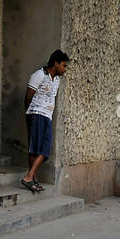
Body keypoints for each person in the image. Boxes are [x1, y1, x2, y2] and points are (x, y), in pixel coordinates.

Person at [23, 50, 70, 193]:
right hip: (36, 114)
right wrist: (30, 115)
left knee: (43, 149)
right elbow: (28, 97)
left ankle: (31, 178)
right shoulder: (39, 75)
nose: (65, 69)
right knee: (37, 148)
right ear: (55, 64)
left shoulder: (56, 79)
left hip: (47, 116)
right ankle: (30, 178)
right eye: (63, 65)